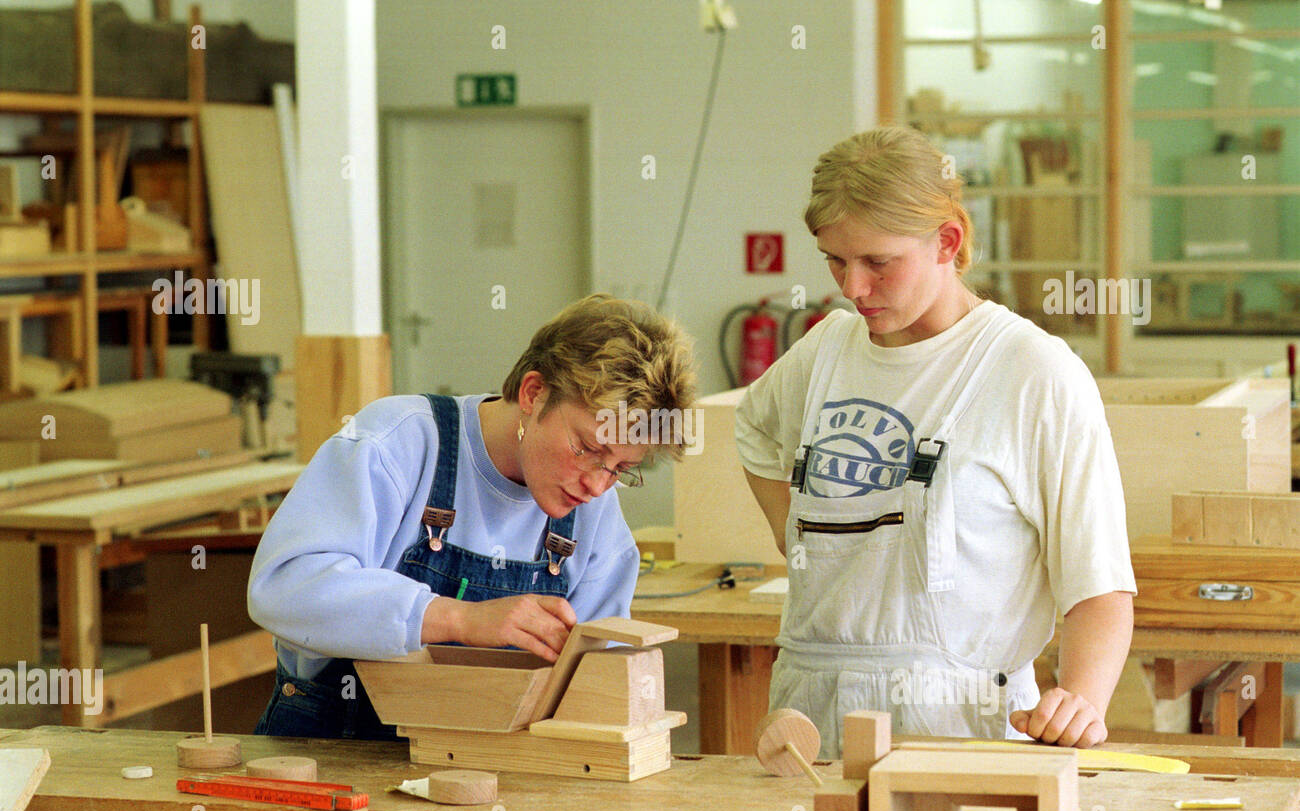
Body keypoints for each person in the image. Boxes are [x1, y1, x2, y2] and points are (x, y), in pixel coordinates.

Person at [735, 126, 1136, 757]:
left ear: (947, 240)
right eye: (836, 260)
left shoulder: (1032, 372)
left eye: (878, 262)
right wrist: (805, 548)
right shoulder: (825, 352)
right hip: (808, 719)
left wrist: (1080, 703)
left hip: (959, 730)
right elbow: (754, 429)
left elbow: (1100, 585)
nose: (852, 287)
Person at [248, 293, 697, 740]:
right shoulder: (399, 443)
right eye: (587, 449)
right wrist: (460, 619)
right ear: (534, 393)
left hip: (489, 762)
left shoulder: (596, 513)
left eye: (621, 469)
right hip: (331, 752)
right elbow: (284, 587)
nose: (597, 485)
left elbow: (598, 670)